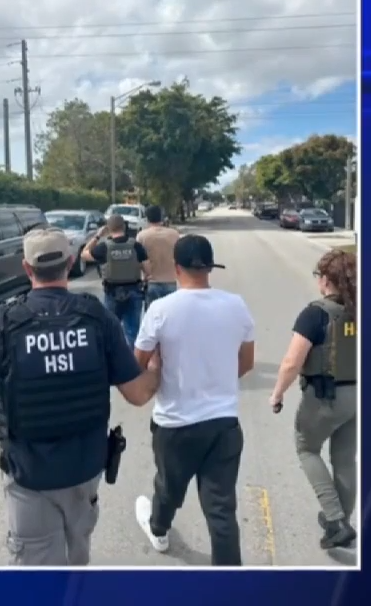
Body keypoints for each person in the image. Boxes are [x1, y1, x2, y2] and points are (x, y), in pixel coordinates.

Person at [0, 228, 162, 566]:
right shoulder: (98, 318)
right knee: (78, 553)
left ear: (27, 268)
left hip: (28, 475)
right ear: (69, 263)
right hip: (86, 470)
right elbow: (138, 395)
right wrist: (156, 365)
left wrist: (6, 411)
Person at [131, 234, 255, 566]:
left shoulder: (161, 309)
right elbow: (246, 363)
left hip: (176, 423)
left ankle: (158, 529)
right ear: (211, 267)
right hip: (224, 425)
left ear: (176, 267)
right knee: (222, 510)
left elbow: (138, 364)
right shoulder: (236, 305)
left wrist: (159, 369)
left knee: (168, 489)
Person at [268, 249, 358, 550]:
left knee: (307, 448)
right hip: (357, 396)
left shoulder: (316, 313)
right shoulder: (360, 310)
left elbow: (292, 362)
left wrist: (277, 393)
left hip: (325, 396)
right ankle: (342, 521)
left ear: (326, 280)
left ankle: (335, 520)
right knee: (344, 460)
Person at [82, 215, 150, 345]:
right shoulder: (136, 246)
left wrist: (97, 236)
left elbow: (84, 254)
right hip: (134, 291)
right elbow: (148, 271)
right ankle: (132, 362)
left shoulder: (104, 247)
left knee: (110, 331)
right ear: (124, 227)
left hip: (112, 292)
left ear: (108, 229)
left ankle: (113, 361)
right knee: (133, 332)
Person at [135, 205, 180, 307]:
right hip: (170, 280)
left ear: (147, 218)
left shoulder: (142, 236)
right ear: (162, 217)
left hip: (151, 281)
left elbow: (138, 259)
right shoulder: (174, 234)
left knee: (152, 316)